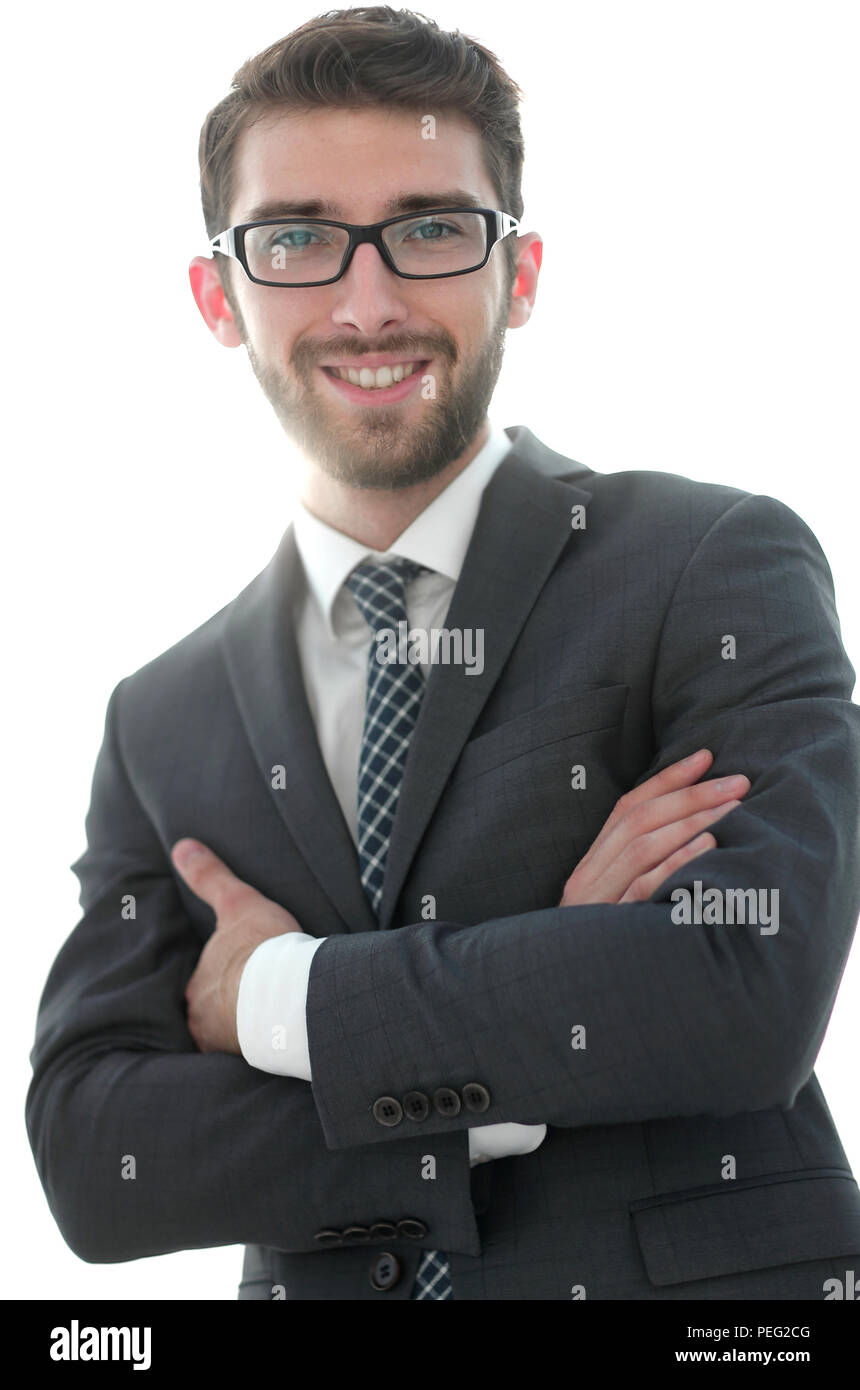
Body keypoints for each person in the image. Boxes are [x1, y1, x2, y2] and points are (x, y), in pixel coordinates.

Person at [26, 7, 860, 1301]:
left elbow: (738, 990)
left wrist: (271, 996)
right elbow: (95, 1149)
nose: (368, 303)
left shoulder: (710, 562)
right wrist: (536, 1008)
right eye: (297, 237)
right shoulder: (163, 714)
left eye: (428, 228)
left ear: (517, 274)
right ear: (217, 296)